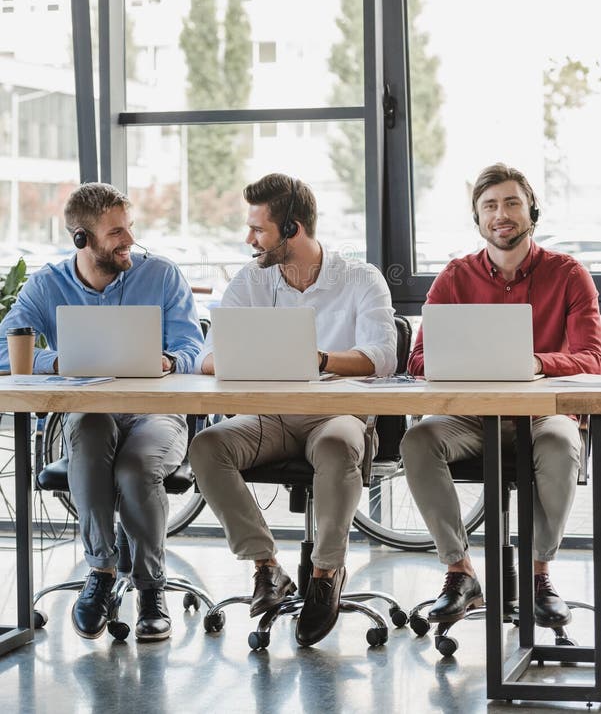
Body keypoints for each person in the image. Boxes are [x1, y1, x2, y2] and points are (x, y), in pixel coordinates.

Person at [189, 173, 397, 647]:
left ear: (292, 229)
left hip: (336, 413)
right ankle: (267, 566)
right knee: (207, 446)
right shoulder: (250, 281)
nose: (249, 240)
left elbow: (383, 358)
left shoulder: (360, 280)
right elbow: (205, 356)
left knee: (342, 443)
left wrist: (318, 358)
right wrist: (242, 359)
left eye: (258, 229)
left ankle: (326, 573)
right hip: (270, 417)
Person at [0, 183, 204, 642]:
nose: (128, 239)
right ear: (81, 238)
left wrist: (170, 361)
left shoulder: (162, 276)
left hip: (156, 413)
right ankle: (103, 570)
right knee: (91, 438)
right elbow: (3, 347)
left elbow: (194, 345)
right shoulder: (47, 284)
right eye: (116, 232)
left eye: (129, 227)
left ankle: (152, 587)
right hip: (90, 410)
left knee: (135, 468)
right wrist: (62, 361)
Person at [401, 162, 601, 628]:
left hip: (543, 415)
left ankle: (538, 574)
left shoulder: (569, 275)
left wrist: (537, 363)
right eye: (489, 205)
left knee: (561, 444)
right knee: (417, 441)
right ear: (477, 217)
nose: (501, 214)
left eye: (512, 202)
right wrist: (469, 367)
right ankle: (459, 572)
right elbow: (417, 360)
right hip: (471, 418)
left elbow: (592, 357)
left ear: (532, 209)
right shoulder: (454, 277)